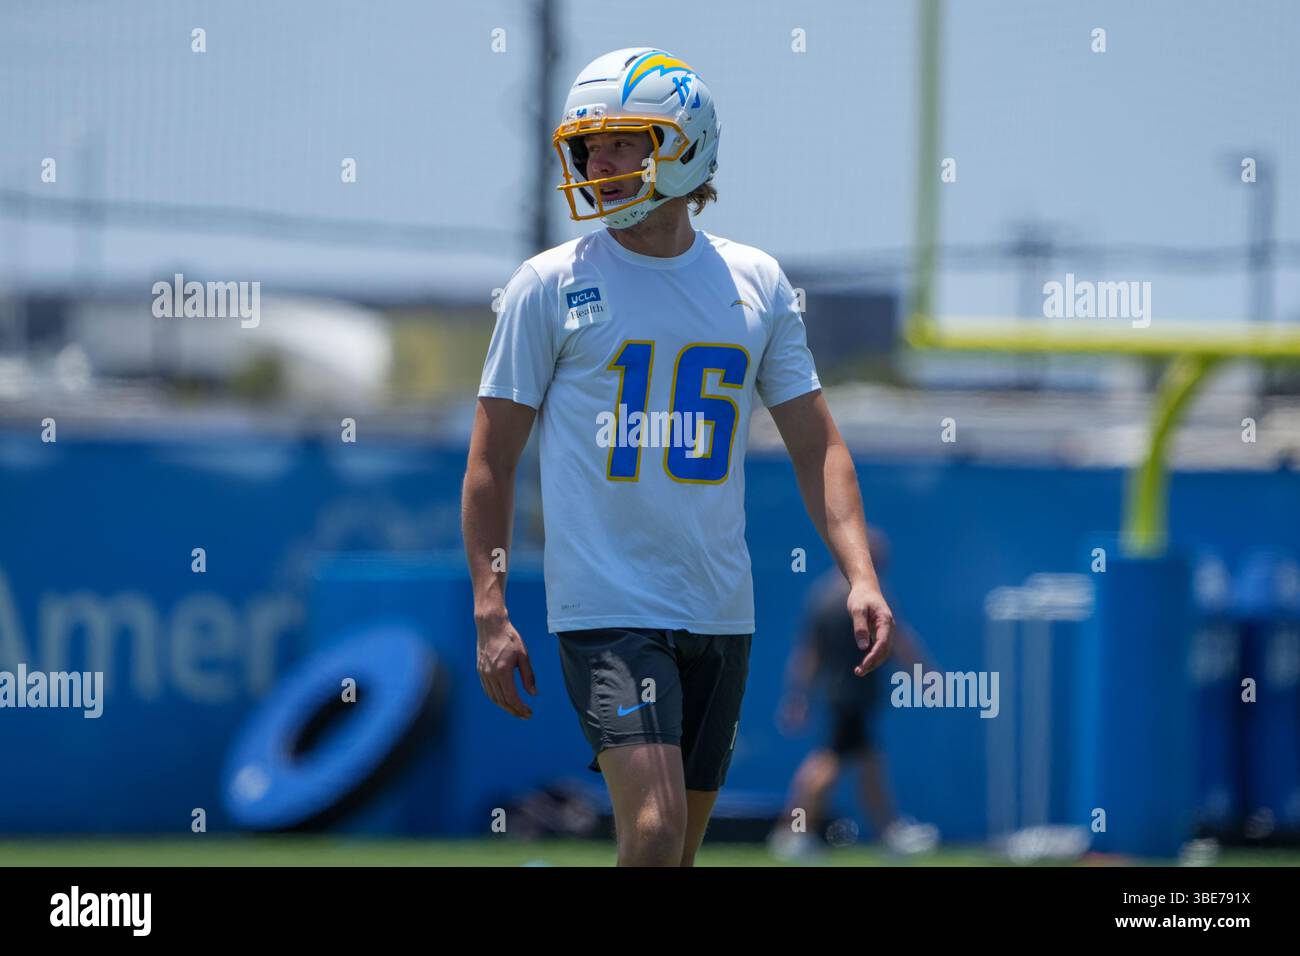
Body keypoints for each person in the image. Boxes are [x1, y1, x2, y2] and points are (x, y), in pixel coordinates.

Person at [462, 48, 894, 867]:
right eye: (589, 146)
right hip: (606, 607)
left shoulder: (756, 282)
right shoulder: (547, 286)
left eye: (622, 142)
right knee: (654, 831)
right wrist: (491, 606)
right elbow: (491, 462)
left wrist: (859, 576)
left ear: (684, 145)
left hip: (719, 607)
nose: (598, 162)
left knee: (676, 852)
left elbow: (817, 443)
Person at [770, 532, 938, 859]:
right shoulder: (866, 596)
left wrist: (797, 695)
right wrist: (925, 674)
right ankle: (791, 833)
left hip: (845, 695)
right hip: (850, 695)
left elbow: (807, 653)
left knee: (869, 763)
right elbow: (899, 639)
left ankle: (888, 833)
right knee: (827, 763)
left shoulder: (820, 594)